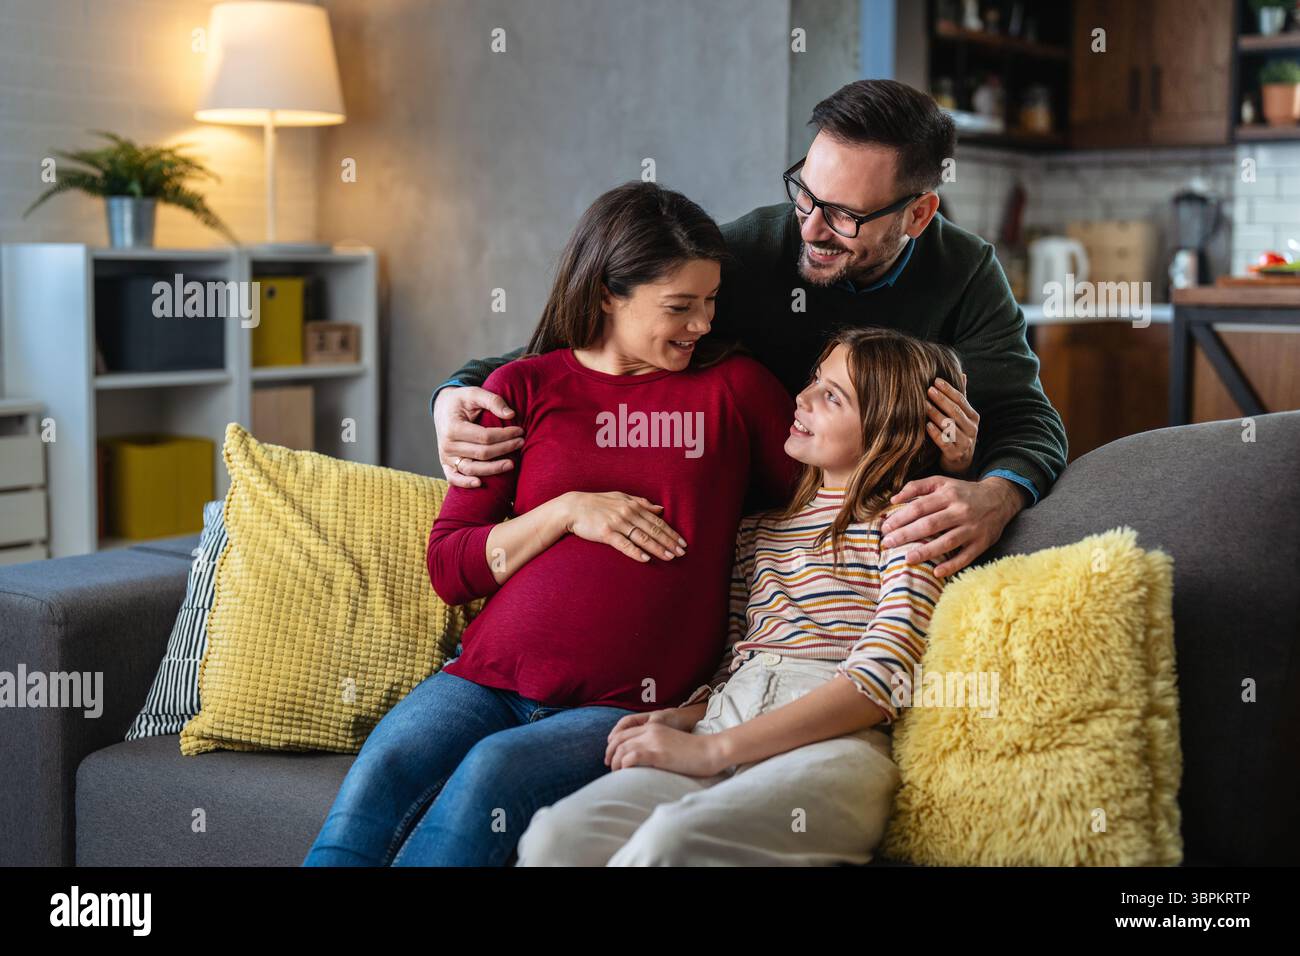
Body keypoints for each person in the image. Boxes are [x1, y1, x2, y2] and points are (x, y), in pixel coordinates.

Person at [304, 181, 895, 867]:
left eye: (710, 302)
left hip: (625, 701)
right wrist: (566, 511)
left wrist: (949, 463)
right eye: (680, 306)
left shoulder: (735, 390)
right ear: (609, 293)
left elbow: (841, 482)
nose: (702, 324)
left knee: (490, 776)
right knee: (382, 772)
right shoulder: (520, 390)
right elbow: (451, 567)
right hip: (483, 680)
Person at [431, 78, 1064, 579]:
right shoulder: (750, 252)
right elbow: (584, 340)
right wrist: (454, 396)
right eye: (805, 194)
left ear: (919, 214)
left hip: (873, 543)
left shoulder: (969, 273)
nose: (811, 229)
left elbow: (1026, 418)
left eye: (844, 216)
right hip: (750, 543)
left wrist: (998, 493)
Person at [514, 327, 960, 866]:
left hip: (832, 743)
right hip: (729, 715)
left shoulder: (909, 527)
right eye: (815, 382)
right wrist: (686, 717)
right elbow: (736, 659)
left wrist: (708, 750)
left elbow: (883, 677)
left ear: (888, 431)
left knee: (673, 843)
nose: (802, 399)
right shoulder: (758, 532)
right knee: (554, 837)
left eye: (832, 396)